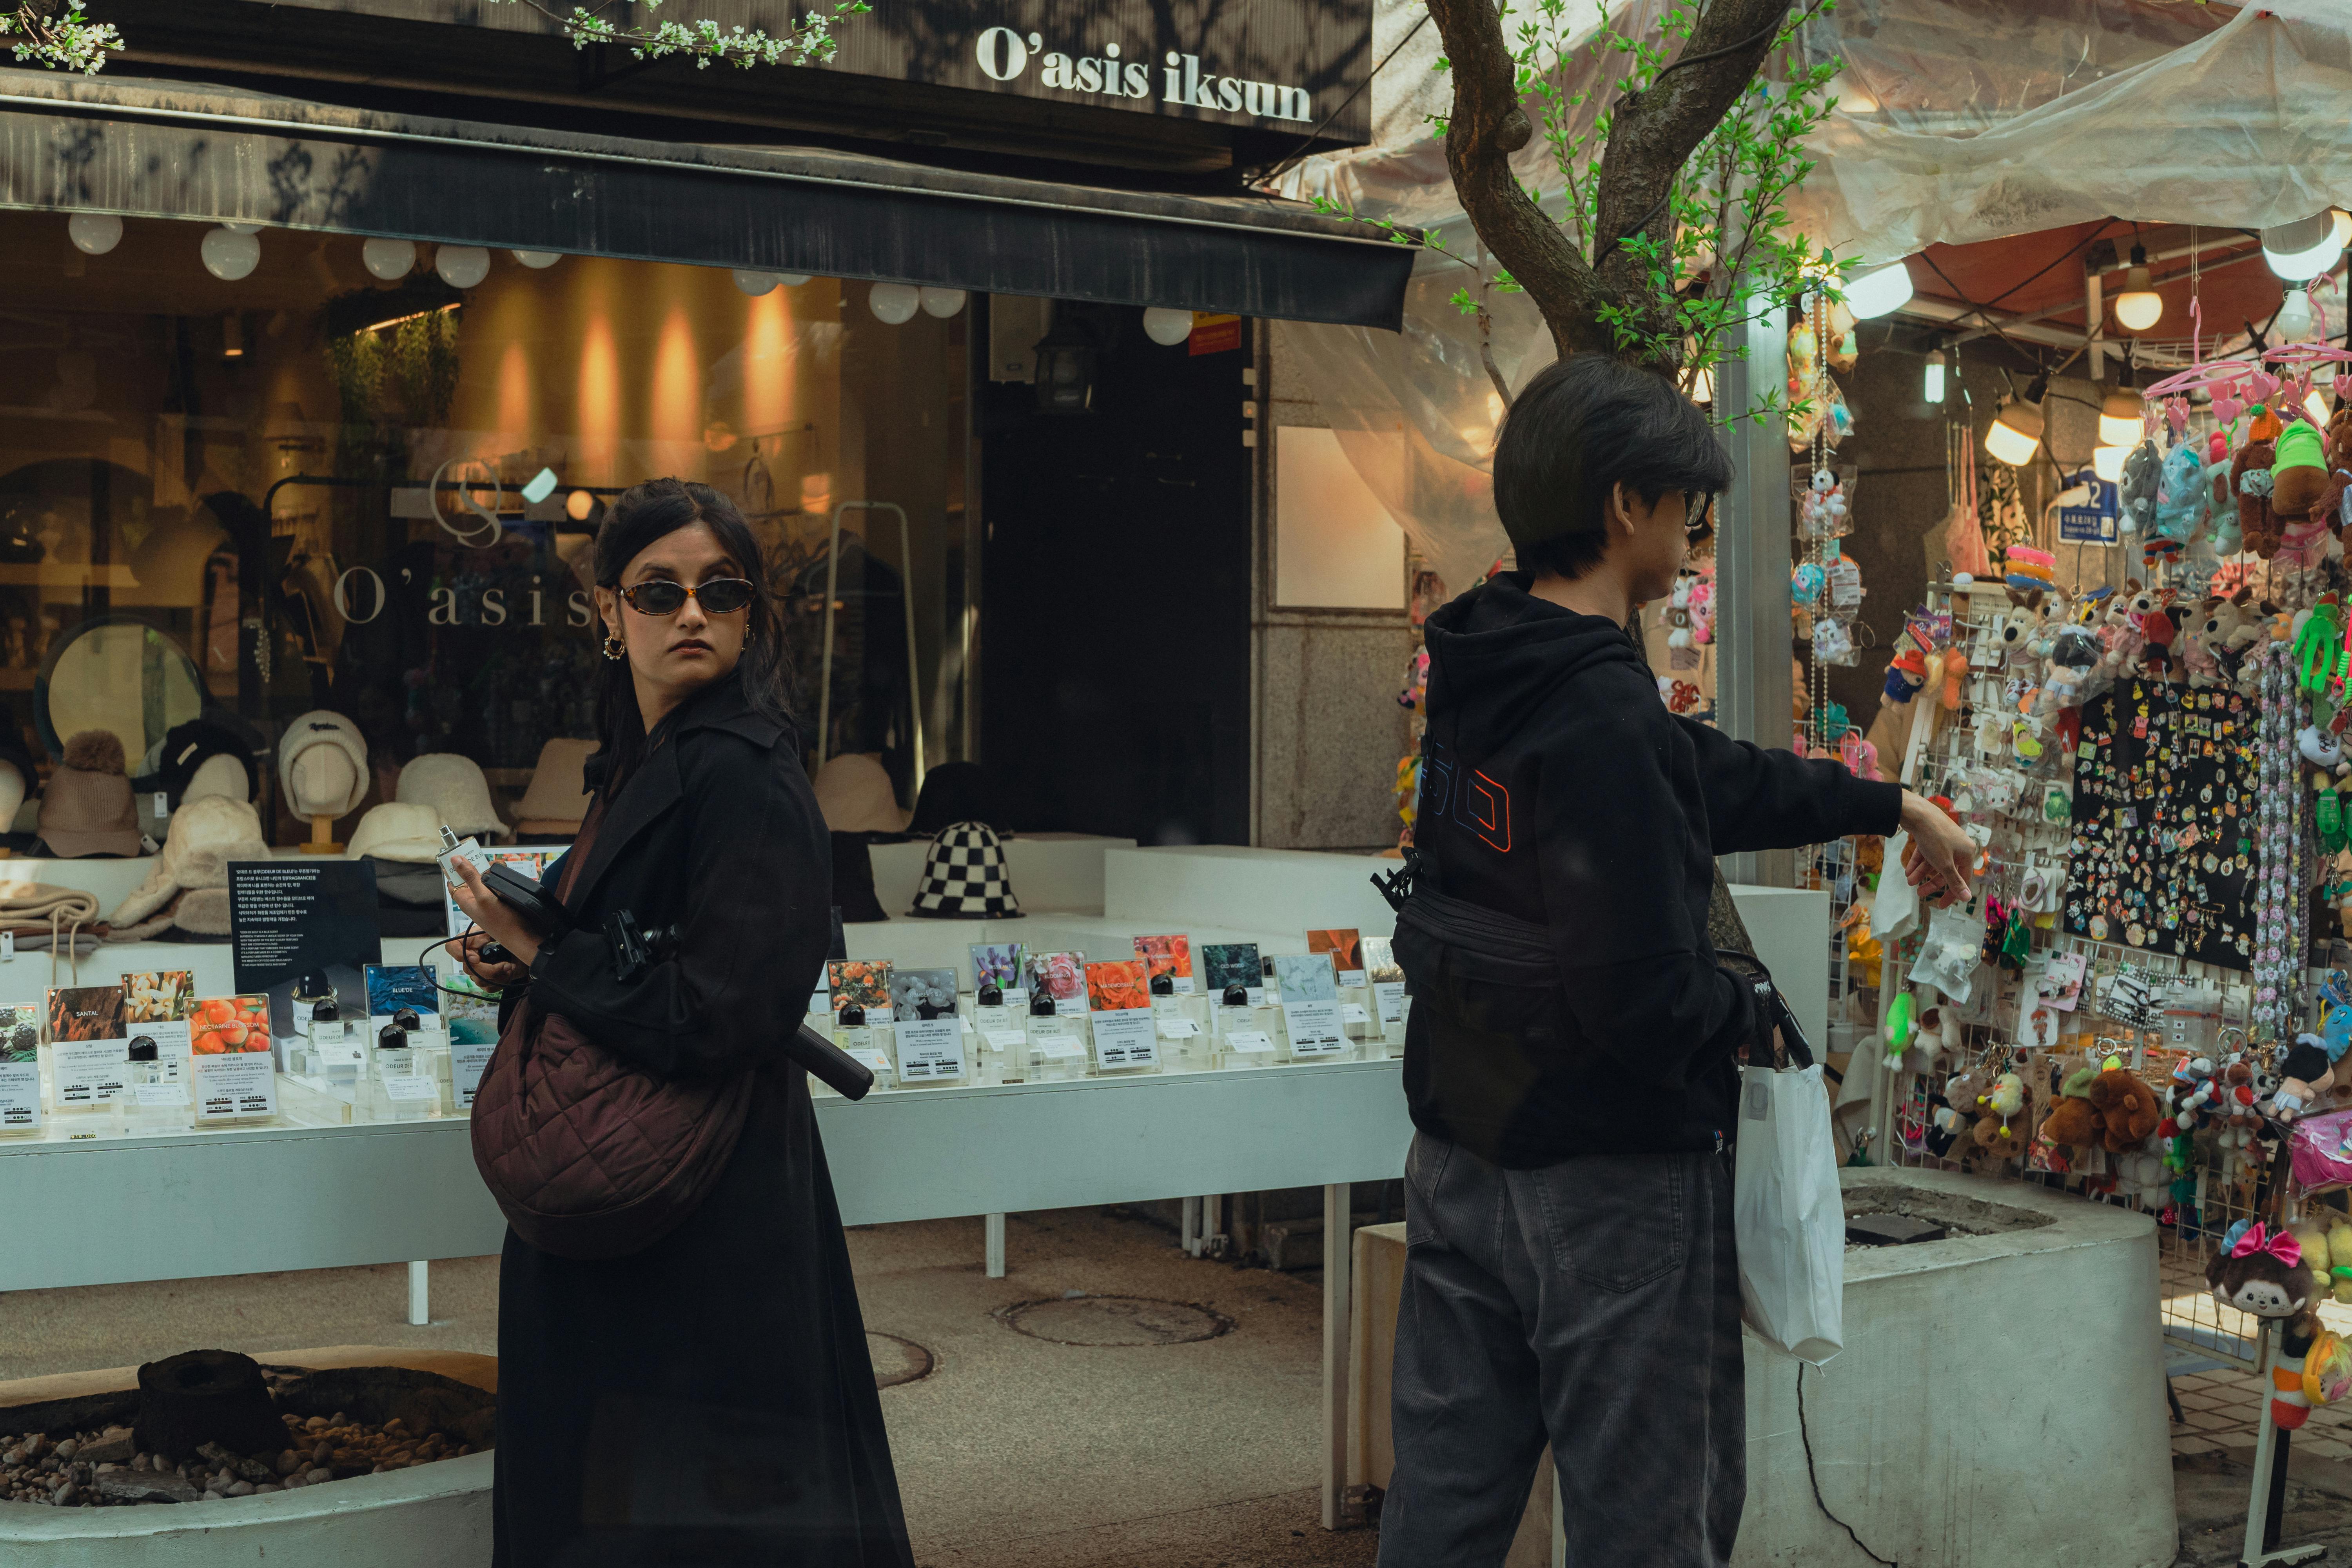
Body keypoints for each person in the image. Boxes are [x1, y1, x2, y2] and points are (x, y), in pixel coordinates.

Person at [1376, 356, 1975, 1567]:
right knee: (1650, 1524)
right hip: (1604, 1184)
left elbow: (1690, 775)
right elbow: (1643, 999)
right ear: (1623, 507)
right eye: (1685, 505)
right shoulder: (1596, 705)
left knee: (1441, 1507)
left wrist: (1885, 802)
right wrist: (1751, 1016)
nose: (1697, 533)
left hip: (1459, 1152)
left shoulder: (1489, 664)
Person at [452, 478, 915, 1568]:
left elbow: (727, 1012)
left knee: (690, 1511)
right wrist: (528, 950)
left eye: (722, 590)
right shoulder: (647, 761)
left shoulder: (748, 774)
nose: (692, 613)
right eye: (660, 592)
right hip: (646, 1191)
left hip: (701, 1206)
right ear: (609, 614)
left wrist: (543, 956)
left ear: (753, 617)